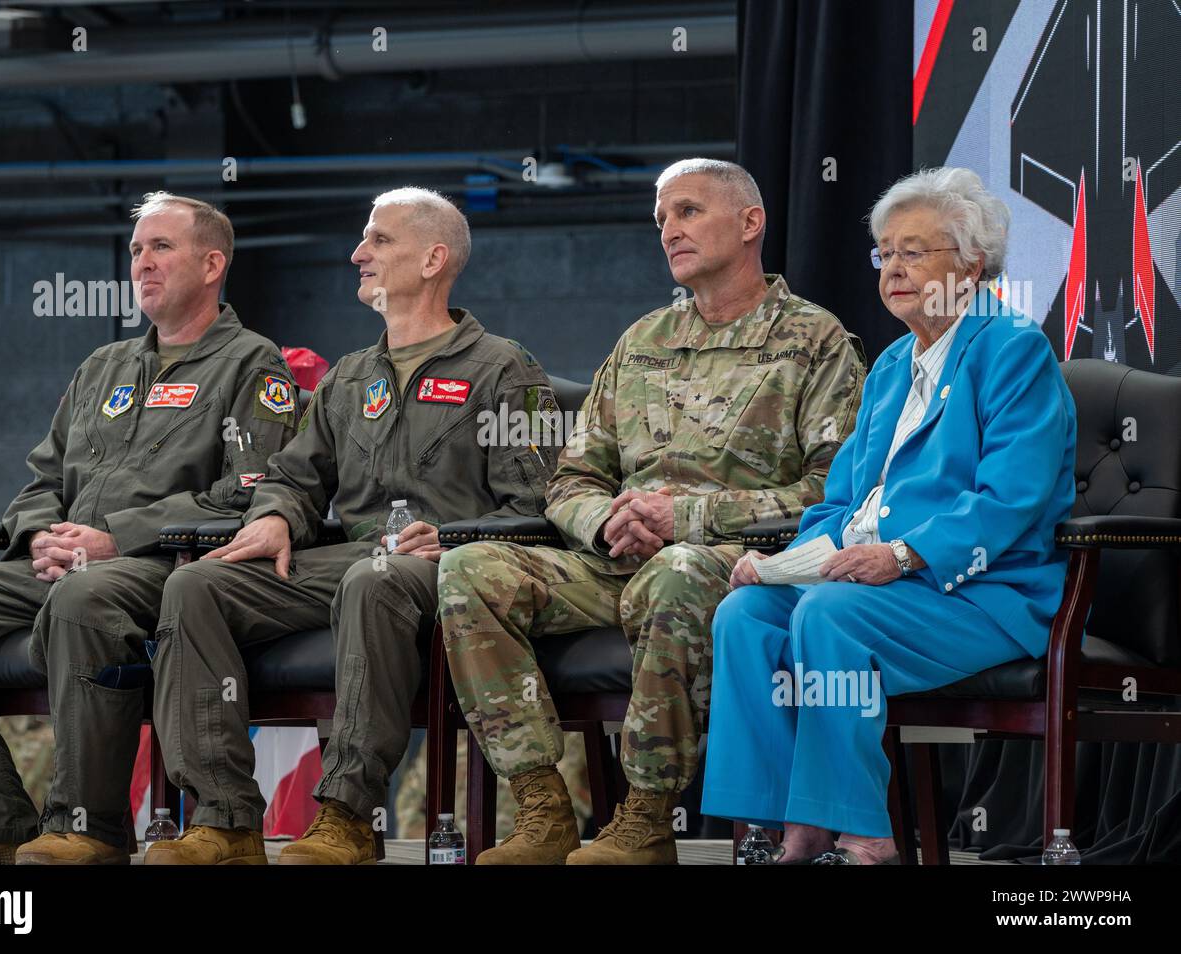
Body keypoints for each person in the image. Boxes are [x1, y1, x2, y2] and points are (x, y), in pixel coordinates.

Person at [436, 158, 865, 864]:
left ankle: (647, 816)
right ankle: (542, 807)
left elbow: (828, 494)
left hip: (737, 565)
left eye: (689, 211)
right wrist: (606, 520)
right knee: (468, 570)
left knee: (678, 569)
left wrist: (684, 519)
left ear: (751, 222)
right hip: (616, 561)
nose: (669, 229)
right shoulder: (640, 343)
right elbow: (571, 477)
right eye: (662, 218)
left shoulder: (815, 341)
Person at [145, 187, 558, 866]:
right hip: (358, 558)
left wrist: (454, 538)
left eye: (378, 241)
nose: (357, 254)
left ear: (433, 259)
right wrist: (277, 515)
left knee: (378, 579)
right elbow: (293, 476)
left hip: (449, 568)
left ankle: (346, 815)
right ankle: (225, 821)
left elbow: (539, 508)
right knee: (195, 586)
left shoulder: (505, 369)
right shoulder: (348, 377)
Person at [0, 192, 297, 864]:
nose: (142, 263)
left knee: (85, 597)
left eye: (161, 247)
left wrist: (118, 537)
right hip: (57, 565)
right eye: (136, 250)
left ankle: (90, 826)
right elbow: (44, 478)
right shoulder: (102, 369)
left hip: (164, 567)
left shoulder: (253, 365)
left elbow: (245, 493)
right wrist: (39, 534)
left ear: (213, 262)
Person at [702, 166, 1077, 864]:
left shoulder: (1011, 346)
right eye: (885, 253)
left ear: (969, 264)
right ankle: (789, 824)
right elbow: (843, 503)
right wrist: (782, 564)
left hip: (981, 593)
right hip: (885, 589)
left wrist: (903, 555)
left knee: (830, 615)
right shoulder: (892, 366)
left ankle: (864, 833)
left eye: (914, 251)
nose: (893, 268)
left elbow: (1009, 500)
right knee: (747, 614)